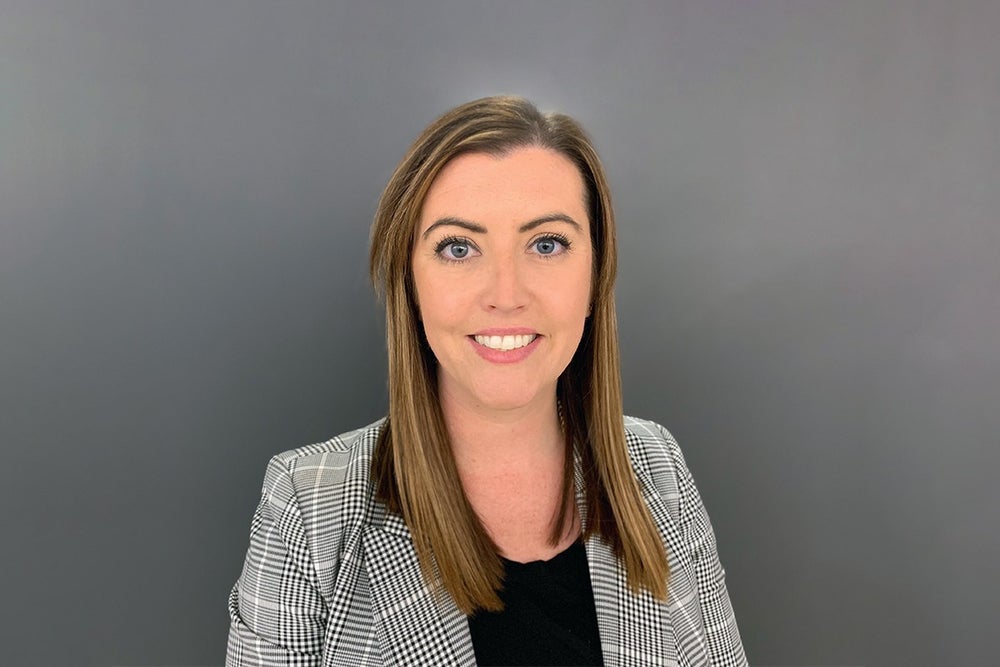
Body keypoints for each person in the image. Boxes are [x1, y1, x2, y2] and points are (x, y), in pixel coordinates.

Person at [226, 96, 746, 666]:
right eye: (458, 248)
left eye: (546, 244)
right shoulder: (309, 505)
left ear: (596, 276)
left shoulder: (657, 467)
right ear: (410, 283)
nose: (505, 294)